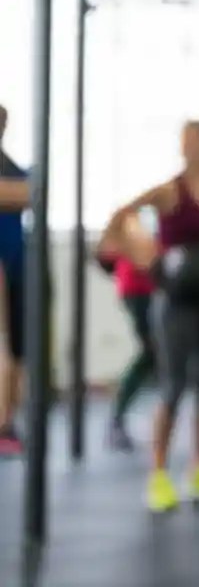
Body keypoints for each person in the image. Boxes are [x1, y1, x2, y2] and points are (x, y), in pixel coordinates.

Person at [103, 120, 199, 512]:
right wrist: (142, 253)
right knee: (173, 386)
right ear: (183, 148)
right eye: (192, 140)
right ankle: (158, 475)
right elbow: (120, 216)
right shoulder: (168, 191)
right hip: (175, 299)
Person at [98, 212, 160, 452]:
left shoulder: (144, 218)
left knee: (158, 353)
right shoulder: (130, 219)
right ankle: (116, 420)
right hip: (138, 291)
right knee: (150, 352)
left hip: (151, 290)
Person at [0, 105, 29, 458]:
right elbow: (23, 193)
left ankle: (7, 421)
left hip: (16, 263)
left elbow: (30, 193)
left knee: (15, 349)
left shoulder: (10, 164)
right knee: (3, 345)